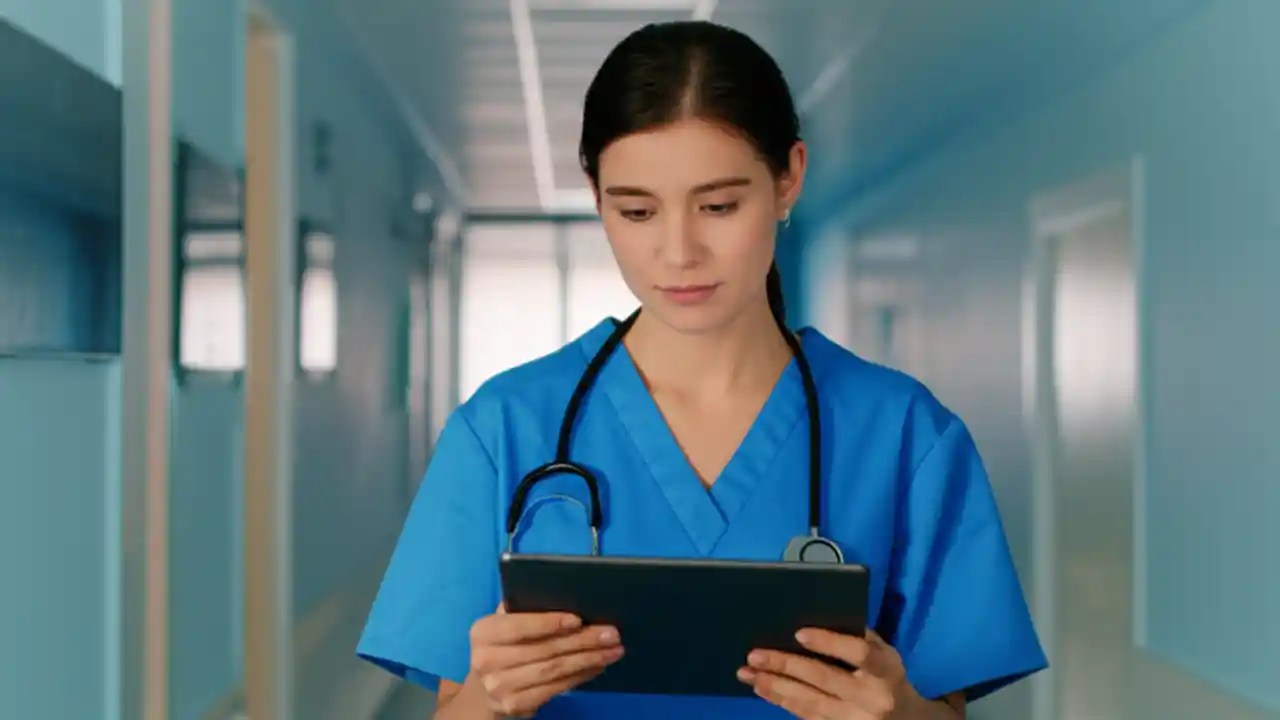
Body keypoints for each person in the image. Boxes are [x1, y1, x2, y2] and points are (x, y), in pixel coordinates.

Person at [357, 19, 1046, 719]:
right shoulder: (503, 428)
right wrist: (490, 698)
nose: (679, 251)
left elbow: (943, 708)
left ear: (788, 178)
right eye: (637, 211)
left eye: (718, 206)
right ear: (596, 196)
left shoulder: (905, 435)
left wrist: (897, 715)